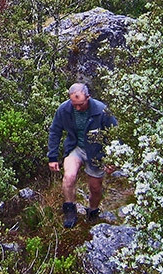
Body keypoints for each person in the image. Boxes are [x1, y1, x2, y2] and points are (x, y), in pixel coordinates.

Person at [47, 82, 118, 228]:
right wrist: (52, 156)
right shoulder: (64, 109)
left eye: (80, 104)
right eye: (74, 104)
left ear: (88, 97)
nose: (77, 108)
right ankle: (70, 211)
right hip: (75, 148)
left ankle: (92, 212)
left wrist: (114, 159)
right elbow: (55, 131)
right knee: (69, 176)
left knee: (95, 187)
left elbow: (116, 133)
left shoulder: (102, 110)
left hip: (97, 152)